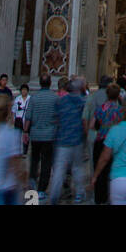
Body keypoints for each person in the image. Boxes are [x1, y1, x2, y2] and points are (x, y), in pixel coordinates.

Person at [47, 77, 89, 205]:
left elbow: (55, 119)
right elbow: (84, 121)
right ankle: (79, 194)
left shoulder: (60, 102)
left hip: (62, 139)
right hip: (76, 139)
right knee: (77, 168)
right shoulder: (83, 102)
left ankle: (54, 196)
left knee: (59, 170)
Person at [23, 73, 57, 198]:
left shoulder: (33, 98)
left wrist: (25, 132)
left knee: (34, 159)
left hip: (35, 135)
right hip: (49, 135)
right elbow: (57, 118)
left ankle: (32, 180)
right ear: (50, 83)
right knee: (46, 162)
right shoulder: (55, 98)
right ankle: (42, 189)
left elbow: (28, 117)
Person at [91, 82, 123, 206]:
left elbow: (91, 125)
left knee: (100, 171)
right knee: (114, 171)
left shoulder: (101, 108)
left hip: (101, 142)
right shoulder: (121, 110)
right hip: (115, 144)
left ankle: (100, 198)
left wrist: (102, 128)